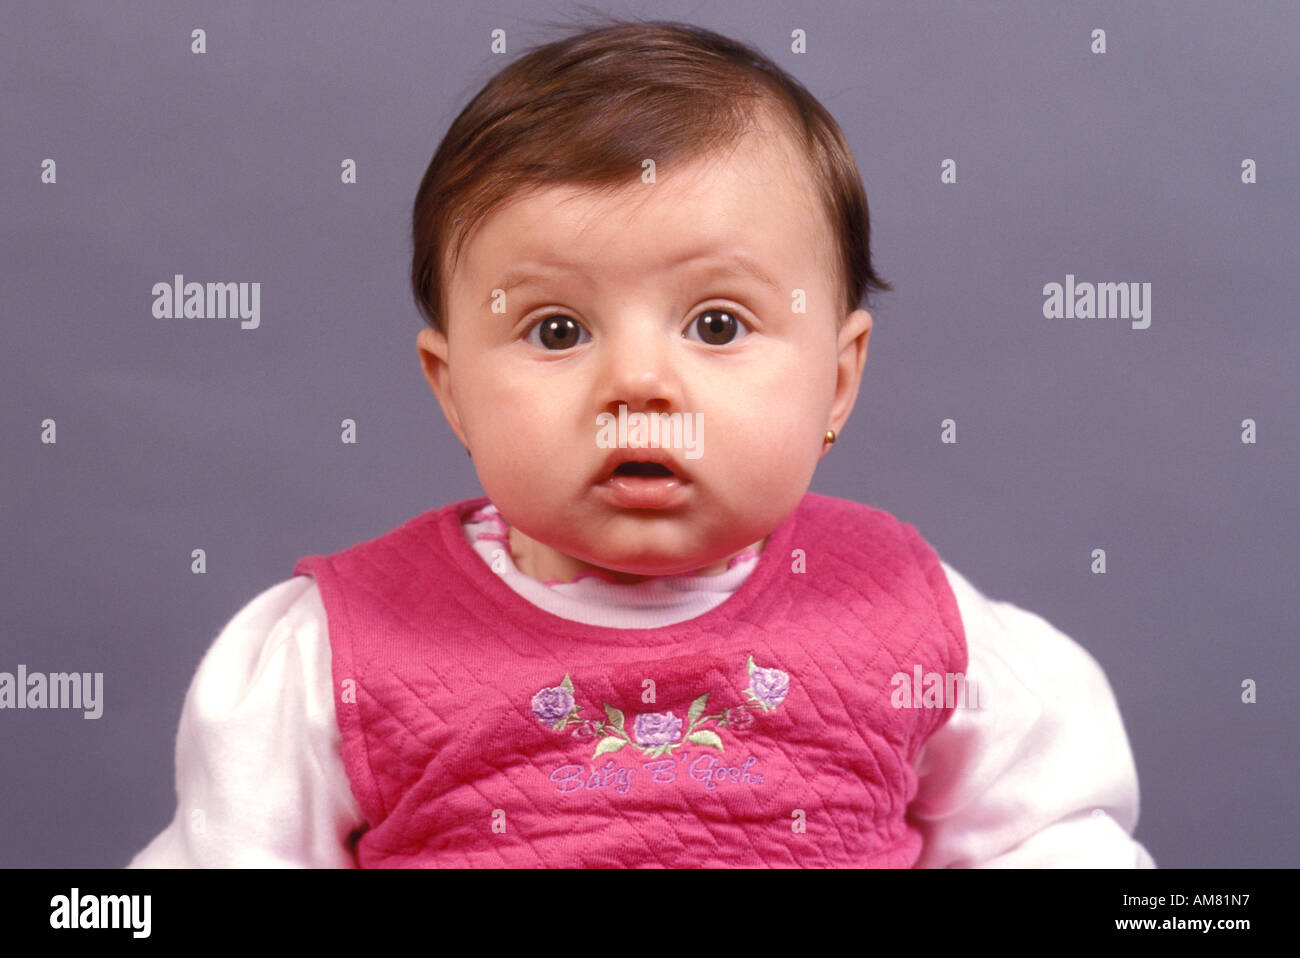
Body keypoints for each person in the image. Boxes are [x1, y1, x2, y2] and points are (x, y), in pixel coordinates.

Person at [128, 17, 1154, 868]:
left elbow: (1054, 842)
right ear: (452, 389)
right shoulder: (335, 656)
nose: (637, 383)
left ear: (837, 380)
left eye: (716, 324)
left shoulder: (915, 618)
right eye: (556, 330)